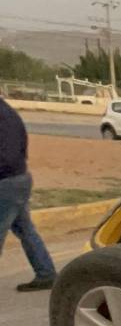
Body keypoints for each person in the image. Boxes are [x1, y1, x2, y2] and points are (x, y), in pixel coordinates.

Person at [0, 95, 56, 292]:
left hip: (6, 183)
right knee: (25, 229)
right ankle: (46, 273)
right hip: (19, 179)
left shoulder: (3, 117)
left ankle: (46, 273)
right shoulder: (10, 113)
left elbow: (7, 157)